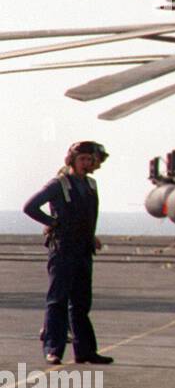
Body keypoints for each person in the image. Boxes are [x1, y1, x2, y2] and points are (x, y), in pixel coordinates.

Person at [23, 141, 112, 365]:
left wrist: (91, 236)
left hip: (83, 250)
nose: (86, 163)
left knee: (81, 303)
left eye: (89, 160)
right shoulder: (58, 184)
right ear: (72, 160)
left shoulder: (91, 185)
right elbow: (30, 207)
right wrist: (52, 223)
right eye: (82, 159)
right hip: (63, 249)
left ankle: (85, 351)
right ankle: (53, 349)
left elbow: (86, 216)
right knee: (58, 300)